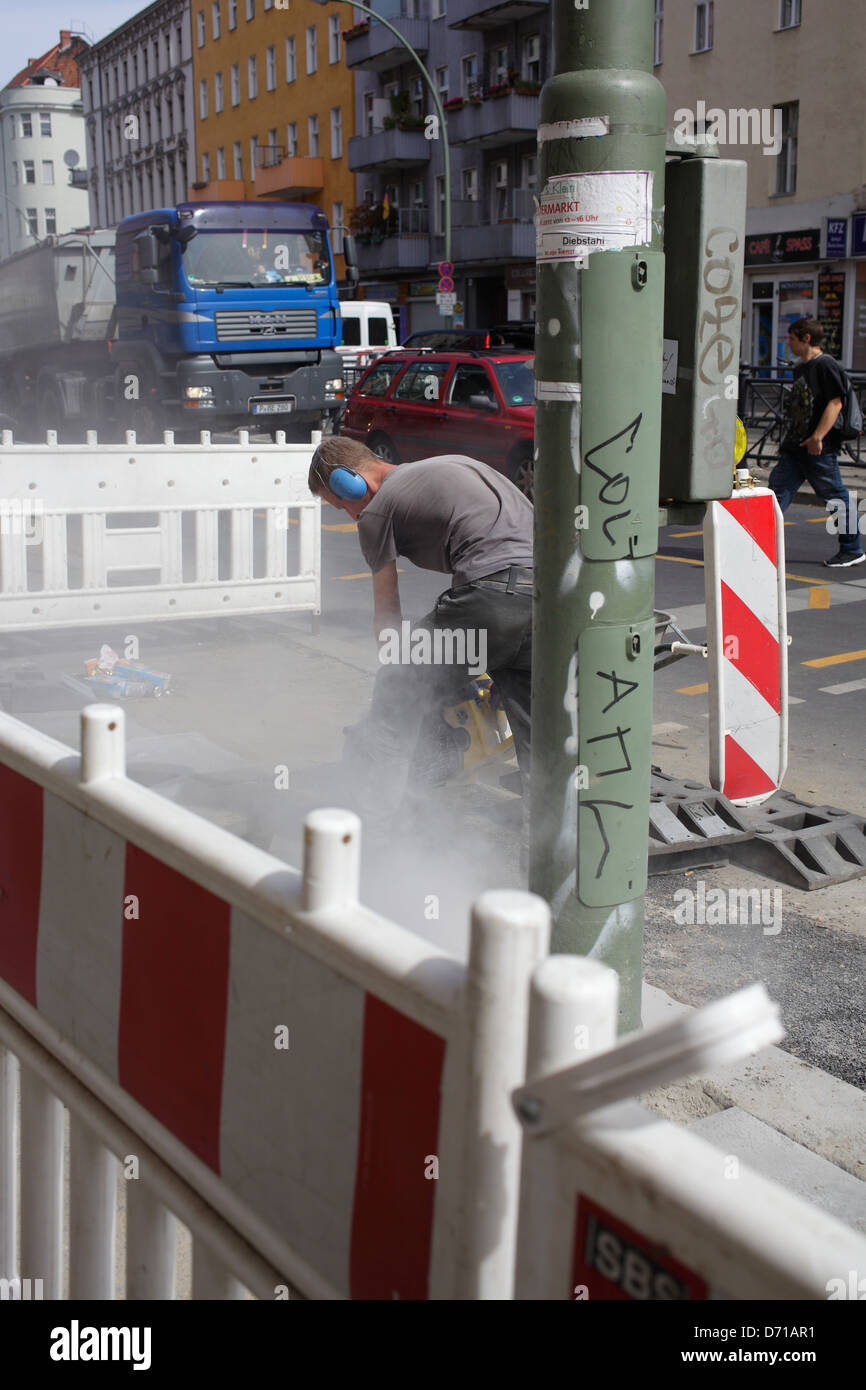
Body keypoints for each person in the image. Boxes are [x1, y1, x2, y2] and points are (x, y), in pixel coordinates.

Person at [308, 436, 534, 825]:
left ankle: (371, 823)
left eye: (339, 502)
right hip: (550, 599)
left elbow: (388, 623)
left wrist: (414, 668)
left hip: (492, 598)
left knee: (398, 684)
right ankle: (553, 847)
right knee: (539, 732)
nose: (347, 514)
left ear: (351, 482)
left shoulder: (375, 512)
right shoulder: (445, 464)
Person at [768, 318, 864, 567]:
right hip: (796, 447)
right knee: (776, 495)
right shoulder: (801, 367)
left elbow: (836, 403)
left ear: (806, 338)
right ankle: (759, 545)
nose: (788, 344)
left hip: (818, 447)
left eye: (791, 338)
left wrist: (818, 437)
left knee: (835, 496)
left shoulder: (826, 365)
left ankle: (852, 549)